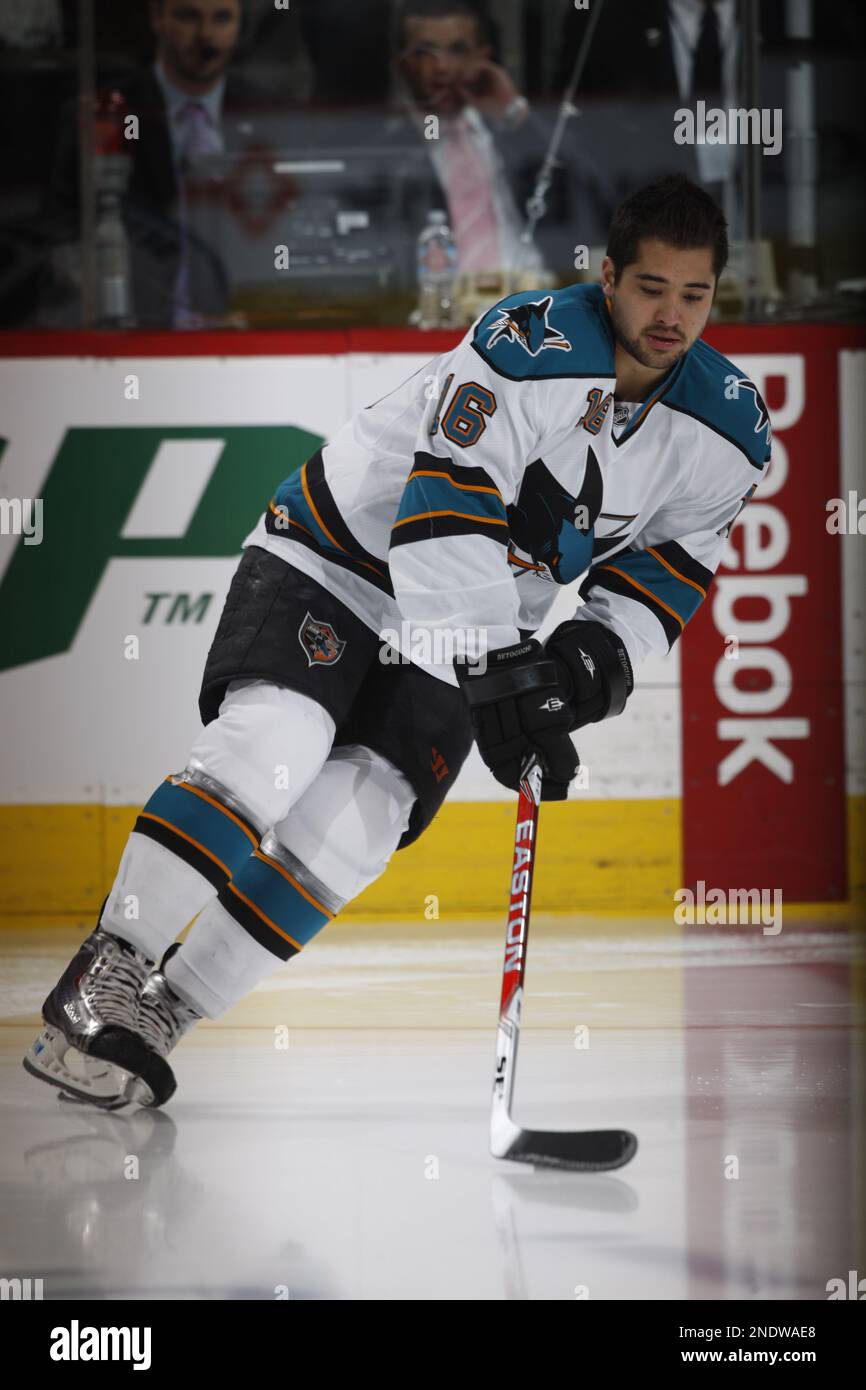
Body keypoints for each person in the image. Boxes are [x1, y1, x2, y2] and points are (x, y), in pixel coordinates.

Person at [24, 174, 770, 1111]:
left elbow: (663, 575)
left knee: (360, 825)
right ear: (609, 276)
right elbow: (444, 503)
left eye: (695, 295)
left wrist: (587, 669)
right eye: (652, 288)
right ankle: (108, 970)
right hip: (335, 559)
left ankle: (162, 1014)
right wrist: (500, 668)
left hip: (461, 626)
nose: (671, 316)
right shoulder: (528, 344)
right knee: (274, 747)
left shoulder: (730, 430)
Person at [43, 0, 269, 328]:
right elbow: (57, 238)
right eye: (188, 16)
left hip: (249, 335)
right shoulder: (104, 117)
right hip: (137, 336)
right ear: (157, 17)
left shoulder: (273, 115)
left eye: (221, 18)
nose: (205, 35)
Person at [376, 0, 612, 282]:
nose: (443, 67)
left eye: (458, 50)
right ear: (401, 63)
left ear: (483, 57)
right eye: (426, 52)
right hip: (446, 310)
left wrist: (512, 112)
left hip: (538, 301)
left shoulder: (509, 129)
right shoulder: (383, 148)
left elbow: (595, 198)